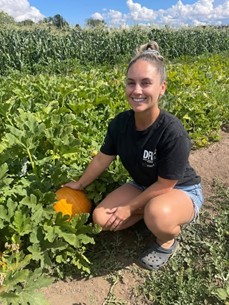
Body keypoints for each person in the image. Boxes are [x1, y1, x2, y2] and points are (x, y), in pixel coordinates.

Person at [64, 41, 204, 270]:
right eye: (131, 83)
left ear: (162, 88)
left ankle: (167, 240)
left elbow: (165, 185)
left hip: (179, 189)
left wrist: (129, 208)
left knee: (158, 213)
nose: (137, 90)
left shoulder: (172, 132)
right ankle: (145, 213)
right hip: (141, 185)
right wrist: (79, 184)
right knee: (101, 218)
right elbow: (102, 158)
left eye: (146, 83)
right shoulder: (121, 123)